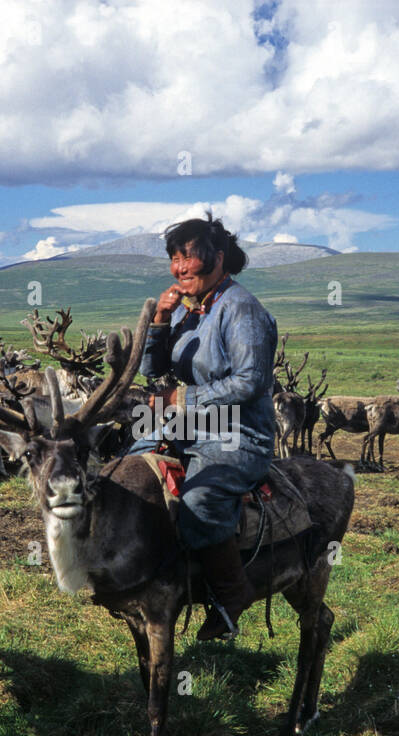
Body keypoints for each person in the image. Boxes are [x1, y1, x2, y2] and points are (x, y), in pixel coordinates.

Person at [132, 215, 278, 640]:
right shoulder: (194, 309)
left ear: (216, 257)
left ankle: (231, 595)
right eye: (174, 258)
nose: (180, 268)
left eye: (188, 257)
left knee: (198, 499)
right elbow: (151, 371)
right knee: (124, 472)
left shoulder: (240, 308)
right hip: (187, 425)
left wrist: (185, 399)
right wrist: (160, 321)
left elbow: (251, 380)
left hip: (237, 433)